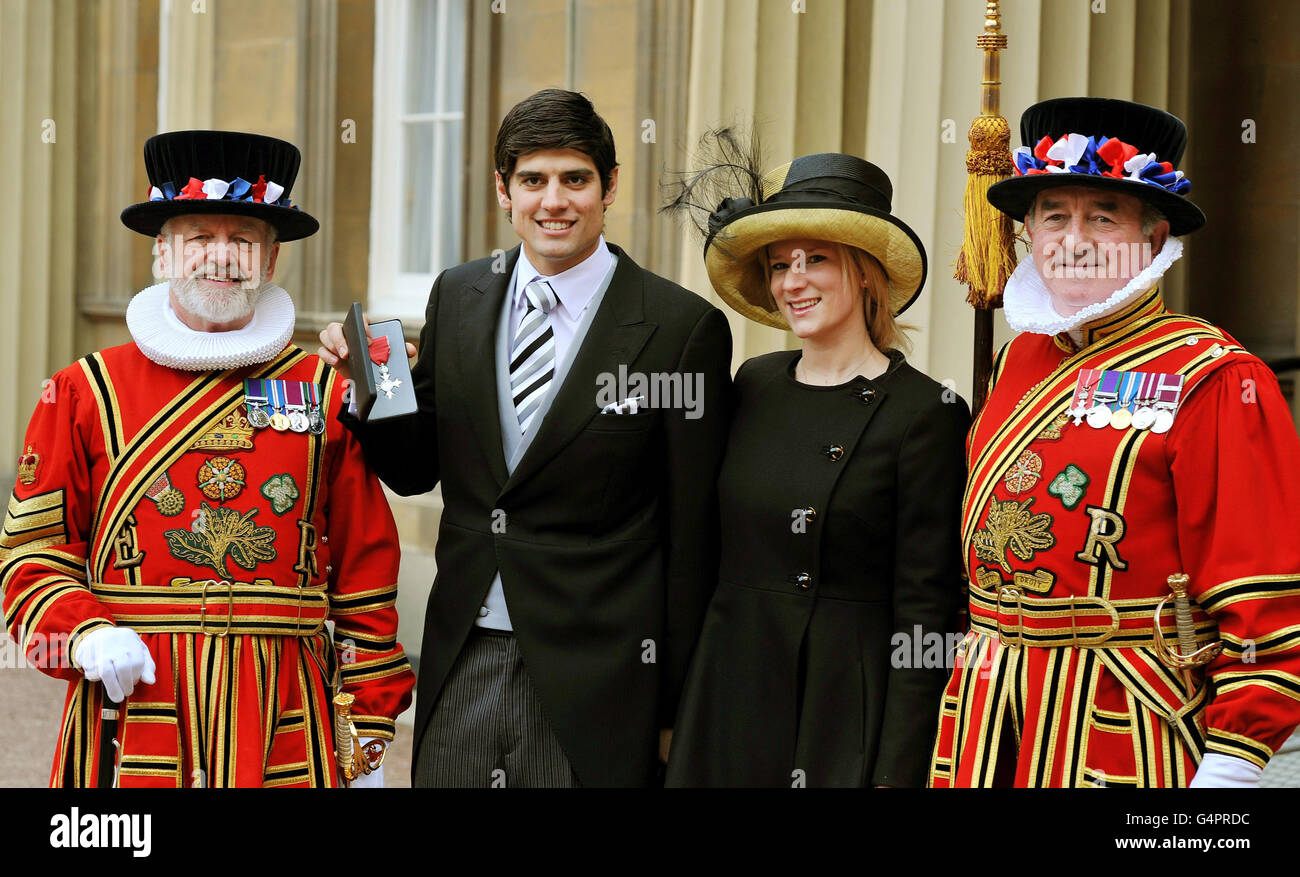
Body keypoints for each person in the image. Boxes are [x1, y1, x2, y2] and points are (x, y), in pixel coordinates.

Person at [318, 89, 733, 787]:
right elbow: (418, 469)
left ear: (609, 186)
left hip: (598, 673)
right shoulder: (458, 295)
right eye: (533, 180)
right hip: (463, 652)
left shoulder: (679, 327)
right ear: (504, 191)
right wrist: (370, 384)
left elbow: (694, 539)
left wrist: (675, 705)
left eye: (575, 179)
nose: (554, 201)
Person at [0, 130, 415, 788]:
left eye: (243, 240)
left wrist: (363, 727)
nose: (222, 258)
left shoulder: (328, 388)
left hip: (289, 710)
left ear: (271, 260)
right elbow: (32, 554)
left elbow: (365, 572)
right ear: (164, 253)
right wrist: (83, 634)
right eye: (199, 237)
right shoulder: (82, 390)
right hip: (135, 704)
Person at [929, 97, 1300, 788]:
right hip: (988, 724)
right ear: (1030, 233)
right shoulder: (1016, 360)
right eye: (1053, 215)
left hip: (1122, 727)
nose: (1073, 238)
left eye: (1103, 216)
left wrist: (1231, 763)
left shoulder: (1216, 376)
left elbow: (1266, 600)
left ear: (1154, 238)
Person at [661, 144, 969, 787]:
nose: (792, 281)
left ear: (863, 272)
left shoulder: (925, 412)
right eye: (779, 265)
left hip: (843, 709)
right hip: (728, 692)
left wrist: (898, 769)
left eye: (816, 259)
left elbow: (926, 610)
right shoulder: (752, 383)